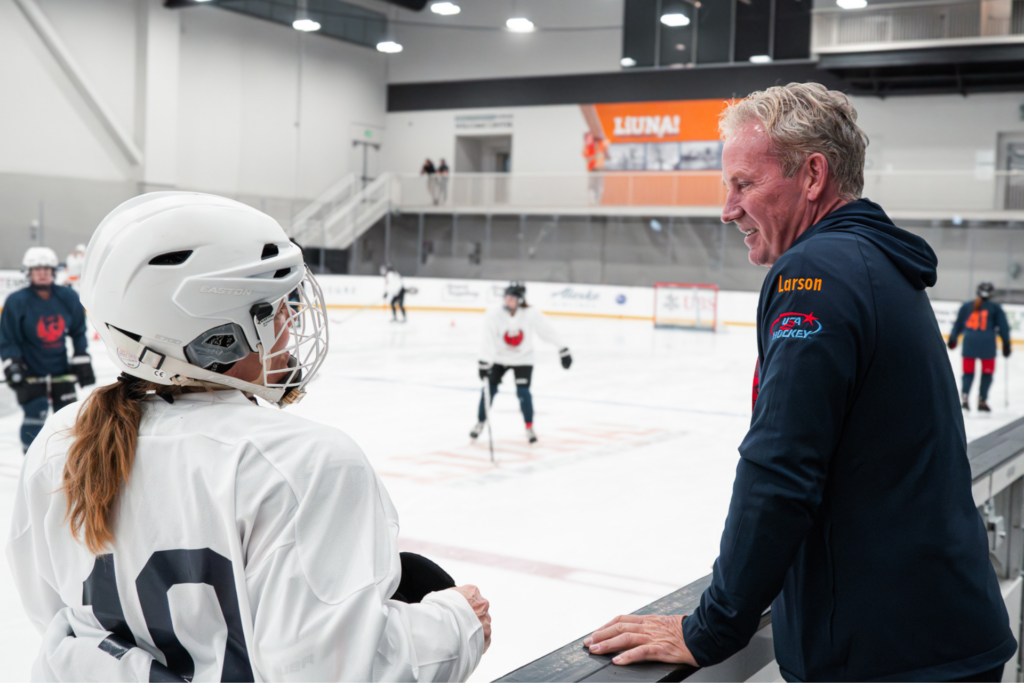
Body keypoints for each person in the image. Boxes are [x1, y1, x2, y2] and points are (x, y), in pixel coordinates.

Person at [584, 83, 1016, 681]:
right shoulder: (874, 262)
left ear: (813, 175)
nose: (728, 209)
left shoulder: (815, 271)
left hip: (886, 656)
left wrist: (712, 626)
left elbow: (782, 464)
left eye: (744, 184)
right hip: (936, 635)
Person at [5, 193, 490, 681]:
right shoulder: (302, 463)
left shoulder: (60, 441)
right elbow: (338, 672)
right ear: (221, 337)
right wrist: (455, 624)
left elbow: (55, 611)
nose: (289, 324)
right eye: (277, 309)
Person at [1, 246, 94, 453]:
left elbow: (78, 331)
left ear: (53, 271)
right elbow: (8, 339)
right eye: (37, 269)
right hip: (31, 372)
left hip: (61, 372)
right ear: (29, 272)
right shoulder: (17, 301)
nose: (42, 273)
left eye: (46, 269)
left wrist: (82, 359)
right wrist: (12, 365)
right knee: (35, 416)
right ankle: (31, 462)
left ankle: (68, 464)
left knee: (68, 421)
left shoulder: (68, 297)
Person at [470, 282, 571, 444]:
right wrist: (484, 361)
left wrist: (562, 348)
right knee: (489, 389)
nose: (508, 300)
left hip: (524, 359)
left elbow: (547, 330)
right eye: (506, 297)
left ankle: (529, 427)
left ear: (520, 300)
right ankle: (480, 422)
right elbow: (488, 338)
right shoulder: (494, 313)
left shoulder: (530, 313)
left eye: (512, 298)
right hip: (498, 358)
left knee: (523, 392)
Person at [949, 282, 1011, 412]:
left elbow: (958, 324)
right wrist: (1006, 343)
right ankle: (982, 400)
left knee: (968, 373)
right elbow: (1003, 327)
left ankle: (965, 398)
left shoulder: (966, 306)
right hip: (987, 346)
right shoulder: (995, 308)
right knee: (987, 374)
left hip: (969, 345)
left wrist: (953, 338)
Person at [582, 132, 609, 204]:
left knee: (599, 186)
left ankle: (598, 202)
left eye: (590, 137)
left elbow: (606, 143)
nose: (589, 139)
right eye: (587, 138)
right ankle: (591, 202)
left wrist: (602, 140)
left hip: (600, 168)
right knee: (591, 186)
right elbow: (585, 156)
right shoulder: (587, 147)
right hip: (592, 169)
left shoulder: (599, 143)